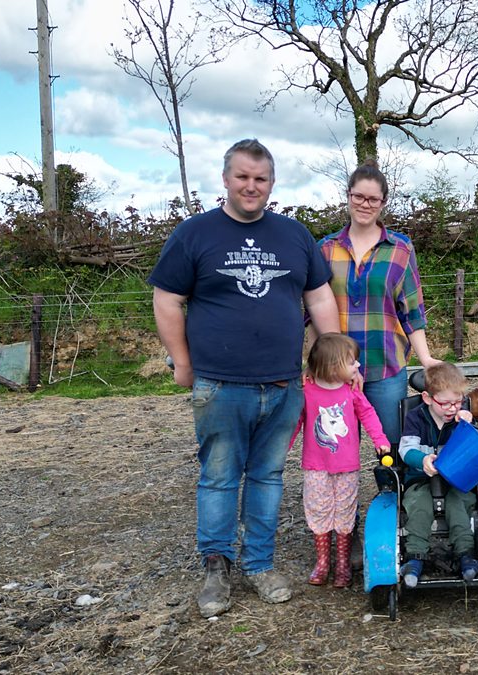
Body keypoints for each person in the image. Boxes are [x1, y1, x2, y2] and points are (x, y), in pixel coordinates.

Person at [148, 139, 340, 618]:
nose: (251, 186)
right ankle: (217, 567)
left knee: (268, 477)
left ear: (271, 184)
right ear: (226, 179)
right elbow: (167, 299)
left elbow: (318, 299)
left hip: (282, 385)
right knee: (218, 478)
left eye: (260, 179)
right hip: (220, 384)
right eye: (242, 177)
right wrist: (183, 363)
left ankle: (259, 563)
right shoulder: (194, 234)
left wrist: (332, 359)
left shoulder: (295, 236)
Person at [318, 160, 444, 449]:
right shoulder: (324, 249)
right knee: (337, 449)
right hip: (336, 369)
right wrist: (314, 363)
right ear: (348, 196)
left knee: (394, 447)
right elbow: (313, 312)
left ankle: (393, 493)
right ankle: (342, 497)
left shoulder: (400, 249)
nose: (365, 204)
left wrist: (426, 359)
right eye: (358, 196)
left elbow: (412, 310)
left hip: (386, 367)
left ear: (383, 203)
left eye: (373, 199)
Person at [292, 333, 392, 588]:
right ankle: (323, 561)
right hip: (316, 465)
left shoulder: (352, 391)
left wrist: (379, 439)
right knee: (318, 509)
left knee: (345, 512)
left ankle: (343, 563)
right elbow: (295, 421)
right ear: (333, 365)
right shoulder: (308, 391)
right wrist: (284, 446)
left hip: (347, 466)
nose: (358, 366)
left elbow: (368, 414)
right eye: (352, 362)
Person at [396, 361, 478, 587]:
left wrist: (468, 427)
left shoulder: (460, 420)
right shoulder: (415, 418)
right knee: (419, 505)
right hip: (420, 478)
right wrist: (422, 460)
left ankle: (466, 554)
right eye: (445, 403)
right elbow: (406, 449)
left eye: (458, 401)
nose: (452, 408)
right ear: (427, 398)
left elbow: (474, 451)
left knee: (458, 505)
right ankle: (415, 557)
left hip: (456, 481)